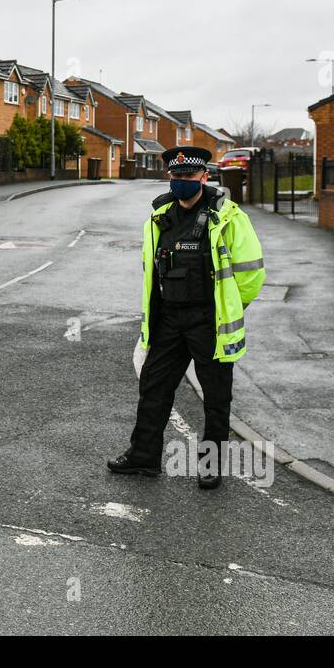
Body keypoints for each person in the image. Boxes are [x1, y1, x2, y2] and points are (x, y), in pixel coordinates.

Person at [108, 146, 265, 489]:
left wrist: (229, 308)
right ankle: (143, 457)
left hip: (209, 322)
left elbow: (251, 274)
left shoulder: (229, 217)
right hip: (169, 320)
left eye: (189, 176)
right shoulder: (159, 215)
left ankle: (210, 467)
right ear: (170, 177)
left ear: (204, 177)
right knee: (154, 388)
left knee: (216, 397)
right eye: (176, 176)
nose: (182, 182)